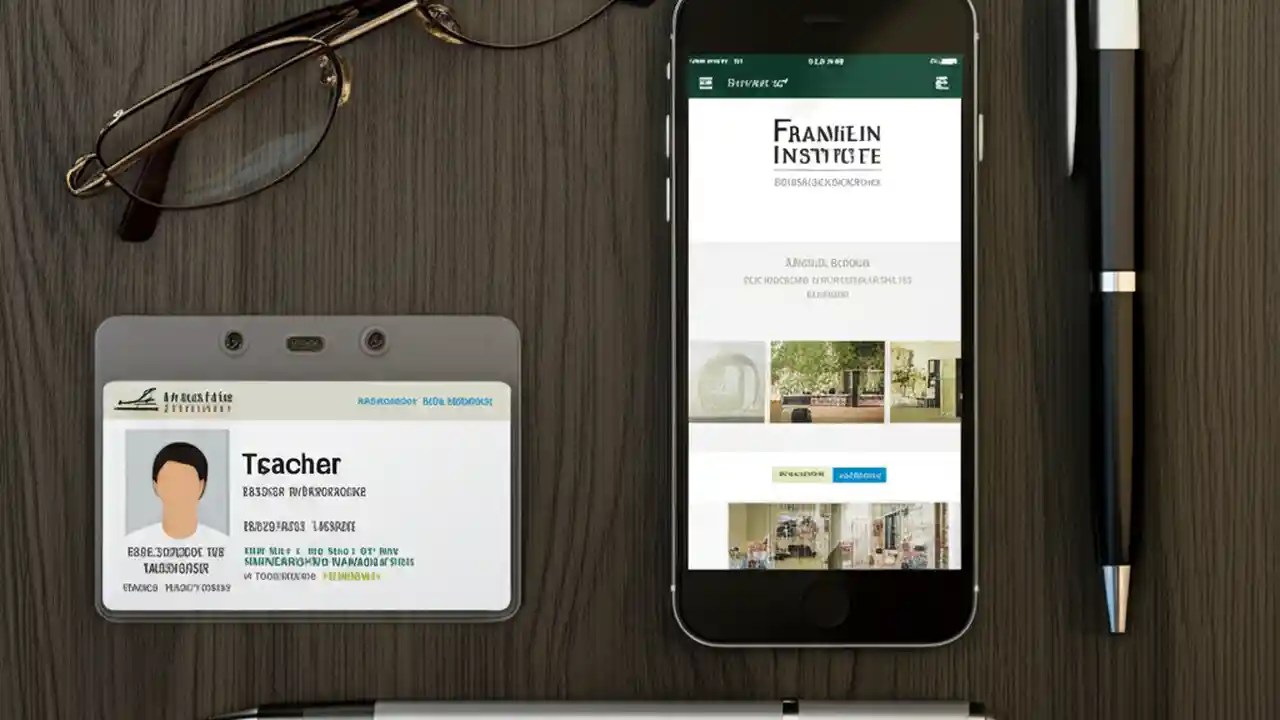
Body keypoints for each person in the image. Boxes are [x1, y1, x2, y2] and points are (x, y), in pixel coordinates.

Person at [126, 442, 228, 544]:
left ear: (201, 486)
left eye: (186, 482)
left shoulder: (222, 546)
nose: (178, 490)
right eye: (170, 481)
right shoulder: (134, 544)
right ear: (155, 485)